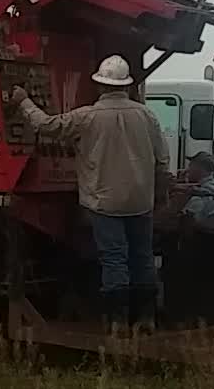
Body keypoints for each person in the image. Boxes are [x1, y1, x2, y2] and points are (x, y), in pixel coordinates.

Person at [10, 54, 169, 329]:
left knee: (114, 258)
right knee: (142, 256)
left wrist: (24, 100)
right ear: (127, 86)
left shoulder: (87, 117)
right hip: (141, 202)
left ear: (99, 86)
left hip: (104, 203)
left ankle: (117, 321)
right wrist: (160, 192)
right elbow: (162, 160)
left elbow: (47, 126)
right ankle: (146, 319)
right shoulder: (146, 116)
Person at [180, 150, 214, 228]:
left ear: (199, 168)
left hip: (206, 236)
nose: (187, 170)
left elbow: (187, 218)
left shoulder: (204, 191)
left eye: (190, 165)